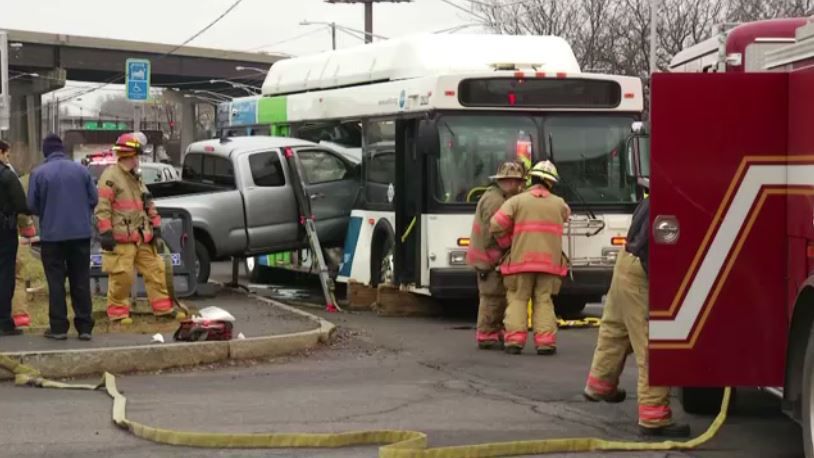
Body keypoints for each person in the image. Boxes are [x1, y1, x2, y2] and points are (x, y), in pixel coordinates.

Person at [583, 197, 690, 437]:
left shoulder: (654, 196)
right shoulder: (677, 198)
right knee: (652, 343)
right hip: (642, 272)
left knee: (615, 330)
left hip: (625, 262)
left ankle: (600, 385)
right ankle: (654, 417)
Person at [490, 160, 570, 355]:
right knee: (544, 300)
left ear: (531, 178)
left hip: (520, 261)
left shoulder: (516, 202)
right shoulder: (559, 204)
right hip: (549, 264)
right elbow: (566, 216)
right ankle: (545, 342)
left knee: (518, 299)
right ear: (551, 182)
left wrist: (508, 242)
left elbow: (495, 225)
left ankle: (515, 341)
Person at [95, 132, 173, 324]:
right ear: (130, 155)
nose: (139, 160)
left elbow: (147, 203)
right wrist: (105, 232)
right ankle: (118, 313)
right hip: (122, 238)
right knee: (122, 277)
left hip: (142, 237)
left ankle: (163, 310)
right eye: (137, 156)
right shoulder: (111, 176)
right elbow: (102, 207)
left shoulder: (135, 178)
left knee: (156, 271)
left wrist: (155, 227)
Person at [28, 134, 97, 341]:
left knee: (56, 282)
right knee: (81, 280)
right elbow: (94, 199)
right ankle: (84, 327)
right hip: (81, 235)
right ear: (63, 149)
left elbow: (32, 205)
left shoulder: (38, 173)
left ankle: (58, 328)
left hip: (52, 236)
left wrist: (49, 212)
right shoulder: (82, 170)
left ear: (45, 151)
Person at [467, 161, 526, 350]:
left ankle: (493, 330)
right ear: (506, 181)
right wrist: (506, 251)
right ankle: (486, 334)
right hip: (488, 259)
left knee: (497, 296)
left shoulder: (495, 196)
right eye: (515, 182)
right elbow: (493, 234)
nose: (518, 187)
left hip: (485, 257)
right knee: (492, 297)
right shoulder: (496, 201)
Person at [0, 139, 33, 336]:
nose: (7, 158)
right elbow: (23, 205)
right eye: (6, 154)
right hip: (4, 232)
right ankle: (4, 321)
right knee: (5, 275)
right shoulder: (6, 176)